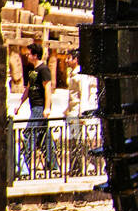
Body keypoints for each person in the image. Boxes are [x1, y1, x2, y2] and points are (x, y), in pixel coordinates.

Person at [18, 42, 56, 176]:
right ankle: (53, 166)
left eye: (29, 54)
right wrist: (20, 104)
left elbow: (47, 88)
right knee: (44, 137)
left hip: (40, 107)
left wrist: (47, 107)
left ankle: (22, 167)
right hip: (33, 106)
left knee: (30, 134)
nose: (27, 56)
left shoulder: (44, 70)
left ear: (35, 55)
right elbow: (28, 88)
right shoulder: (32, 70)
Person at [65, 50, 95, 176]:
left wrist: (82, 114)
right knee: (73, 141)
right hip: (71, 112)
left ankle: (80, 167)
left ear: (76, 60)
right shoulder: (72, 74)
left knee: (78, 142)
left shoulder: (80, 75)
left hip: (77, 113)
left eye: (69, 58)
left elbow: (83, 95)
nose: (66, 60)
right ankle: (75, 167)